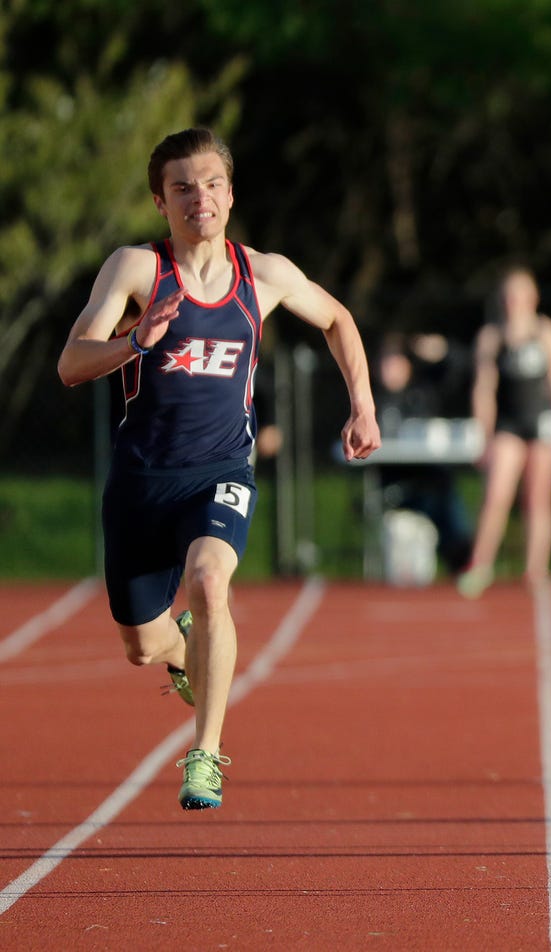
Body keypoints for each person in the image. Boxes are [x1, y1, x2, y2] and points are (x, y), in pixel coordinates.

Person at [57, 128, 380, 811]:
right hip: (142, 481)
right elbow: (71, 363)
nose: (197, 198)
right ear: (160, 201)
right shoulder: (136, 269)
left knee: (209, 583)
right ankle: (181, 652)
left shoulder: (264, 275)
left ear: (230, 195)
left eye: (210, 184)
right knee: (142, 647)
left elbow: (337, 320)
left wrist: (363, 405)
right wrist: (134, 341)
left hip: (221, 470)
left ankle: (204, 754)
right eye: (181, 187)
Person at [457, 266, 551, 598]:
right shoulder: (491, 337)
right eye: (509, 295)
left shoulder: (549, 333)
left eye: (520, 294)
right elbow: (484, 389)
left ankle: (535, 570)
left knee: (537, 499)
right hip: (508, 424)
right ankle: (480, 564)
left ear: (533, 297)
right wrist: (484, 435)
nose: (514, 301)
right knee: (496, 494)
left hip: (542, 423)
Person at [375, 331, 474, 576]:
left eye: (395, 363)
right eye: (385, 363)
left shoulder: (424, 392)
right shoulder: (372, 400)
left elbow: (464, 369)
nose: (390, 370)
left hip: (430, 479)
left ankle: (461, 558)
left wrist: (443, 351)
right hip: (395, 484)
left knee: (445, 496)